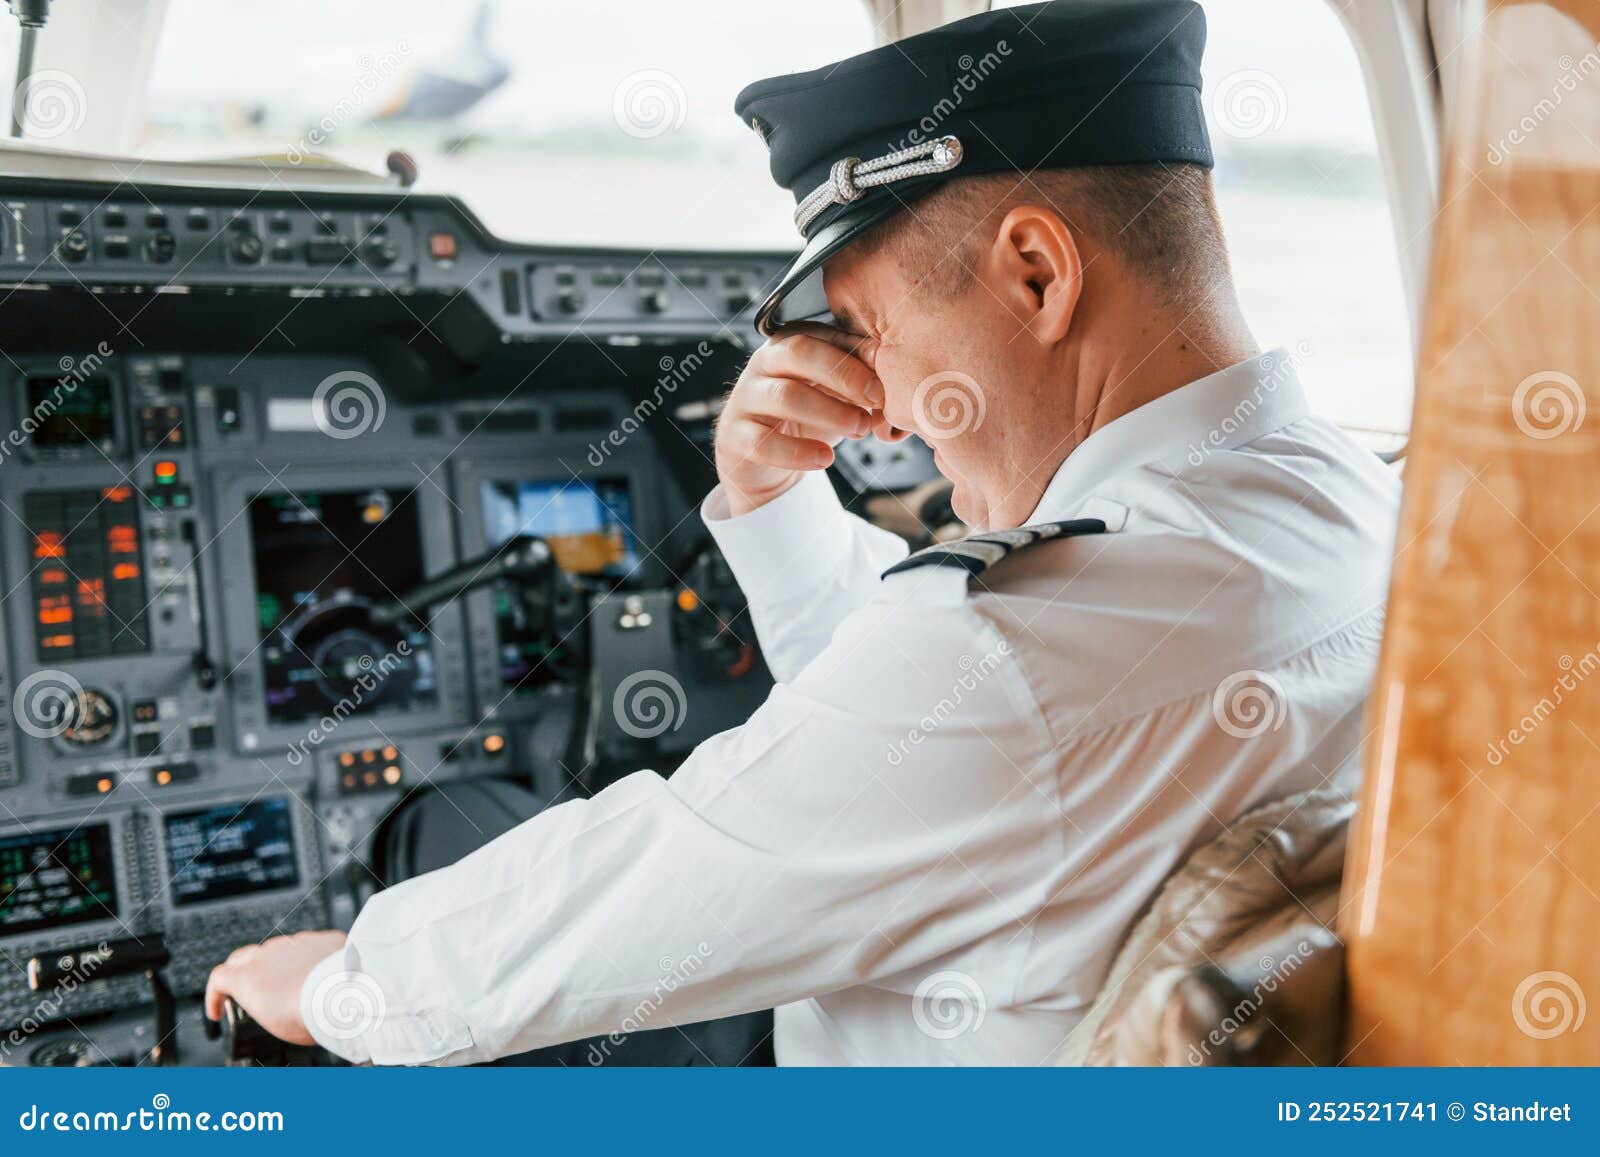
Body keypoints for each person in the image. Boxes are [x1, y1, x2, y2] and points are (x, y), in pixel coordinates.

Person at [206, 0, 1401, 1065]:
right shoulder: (1362, 504)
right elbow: (927, 747)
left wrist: (331, 983)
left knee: (447, 835)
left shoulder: (1022, 655)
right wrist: (773, 505)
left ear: (1037, 274)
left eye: (871, 329)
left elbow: (655, 883)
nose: (872, 401)